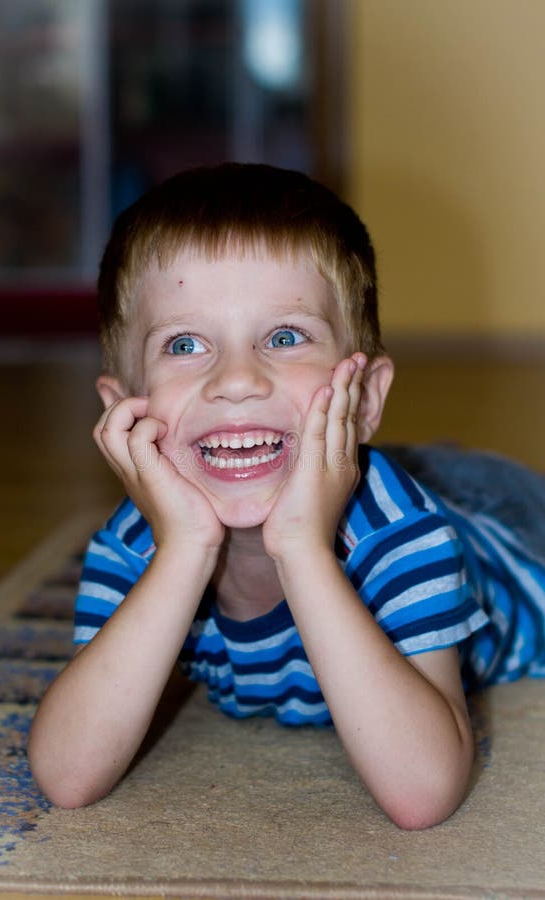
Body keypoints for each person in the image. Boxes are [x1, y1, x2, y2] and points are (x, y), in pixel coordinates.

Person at [28, 163, 545, 829]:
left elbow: (423, 793)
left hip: (509, 523)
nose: (237, 380)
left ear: (365, 399)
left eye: (284, 337)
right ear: (122, 407)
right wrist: (184, 551)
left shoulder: (402, 535)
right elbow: (68, 777)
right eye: (185, 344)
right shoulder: (135, 544)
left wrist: (303, 548)